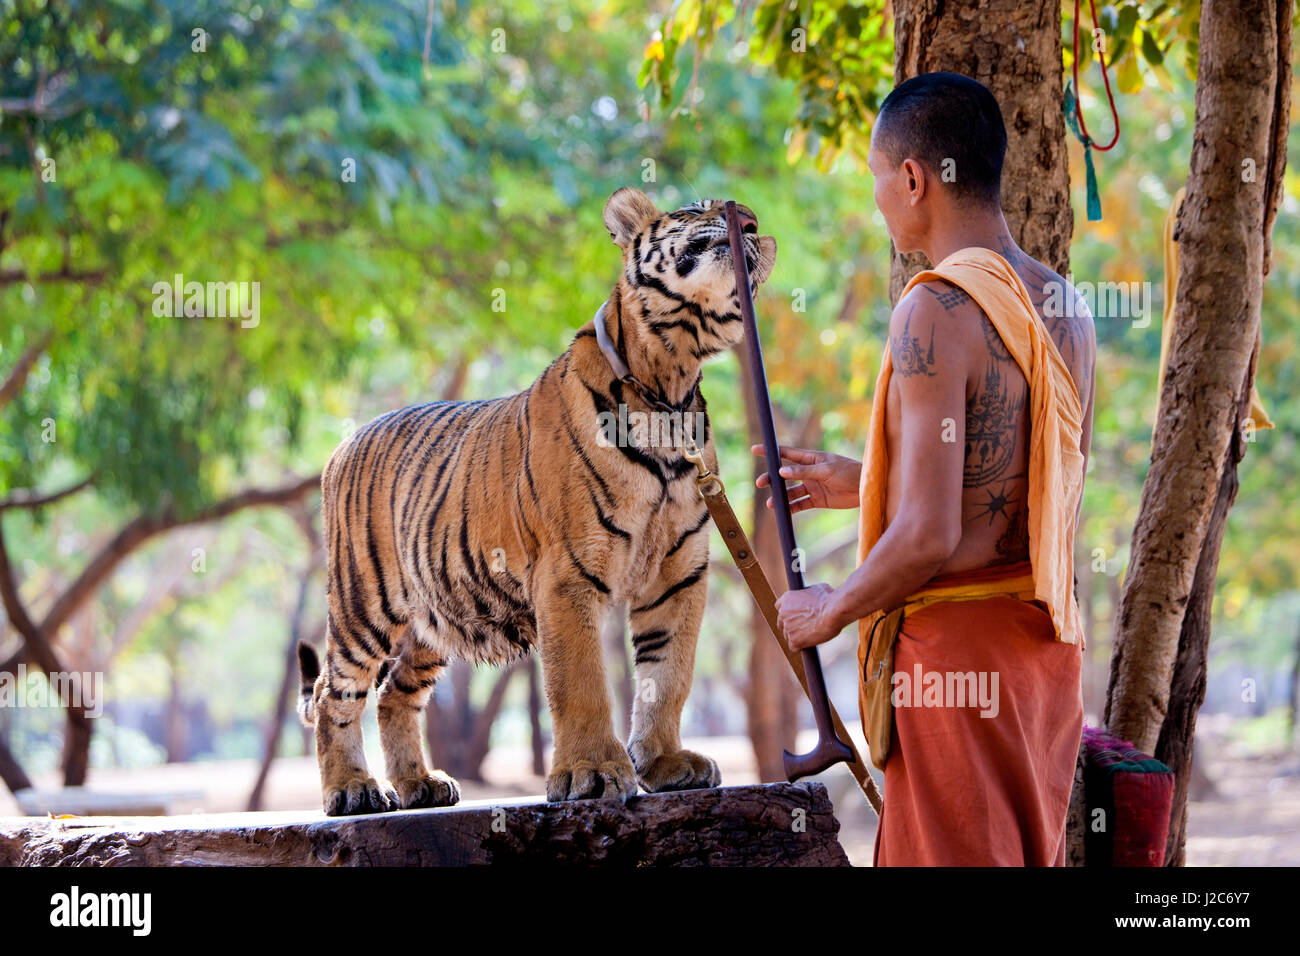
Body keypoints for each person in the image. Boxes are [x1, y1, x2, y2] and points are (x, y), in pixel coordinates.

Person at [761, 72, 1096, 866]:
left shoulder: (933, 307)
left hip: (957, 663)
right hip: (1041, 662)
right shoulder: (1067, 306)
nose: (880, 200)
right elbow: (1020, 473)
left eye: (878, 178)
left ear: (913, 178)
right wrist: (869, 479)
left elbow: (929, 533)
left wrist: (831, 607)